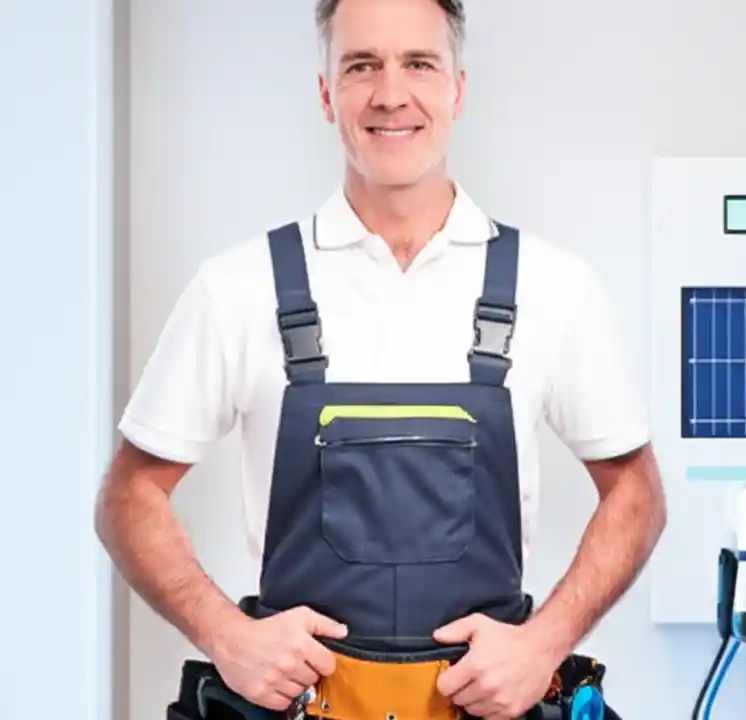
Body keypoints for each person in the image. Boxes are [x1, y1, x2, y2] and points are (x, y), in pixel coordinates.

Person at [94, 0, 667, 717]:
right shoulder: (238, 288)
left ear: (458, 87)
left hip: (483, 704)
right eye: (361, 65)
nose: (390, 94)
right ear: (327, 93)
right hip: (303, 705)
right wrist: (226, 635)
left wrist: (544, 645)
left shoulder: (554, 288)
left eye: (418, 64)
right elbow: (128, 496)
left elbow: (637, 492)